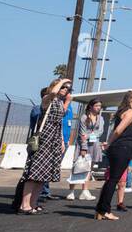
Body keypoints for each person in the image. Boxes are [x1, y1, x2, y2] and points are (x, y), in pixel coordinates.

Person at [18, 79, 68, 215]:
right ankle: (25, 204)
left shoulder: (60, 102)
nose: (65, 89)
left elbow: (60, 122)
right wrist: (62, 80)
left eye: (67, 88)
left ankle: (33, 204)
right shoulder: (48, 98)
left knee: (43, 175)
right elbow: (52, 93)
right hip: (44, 139)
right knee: (34, 173)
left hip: (54, 139)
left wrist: (62, 141)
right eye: (63, 87)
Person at [95, 92, 132, 221]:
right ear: (131, 100)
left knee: (112, 179)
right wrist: (109, 143)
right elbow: (118, 130)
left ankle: (101, 210)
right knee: (113, 179)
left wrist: (109, 143)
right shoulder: (131, 112)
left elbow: (115, 130)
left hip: (119, 147)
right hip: (123, 148)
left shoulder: (122, 112)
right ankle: (104, 210)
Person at [67, 99, 104, 201]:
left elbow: (100, 131)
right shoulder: (83, 117)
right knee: (77, 167)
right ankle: (71, 191)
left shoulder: (100, 118)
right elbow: (81, 133)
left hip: (94, 144)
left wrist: (88, 136)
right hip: (83, 145)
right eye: (96, 105)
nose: (98, 108)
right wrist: (83, 147)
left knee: (88, 169)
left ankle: (85, 191)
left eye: (99, 106)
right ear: (91, 106)